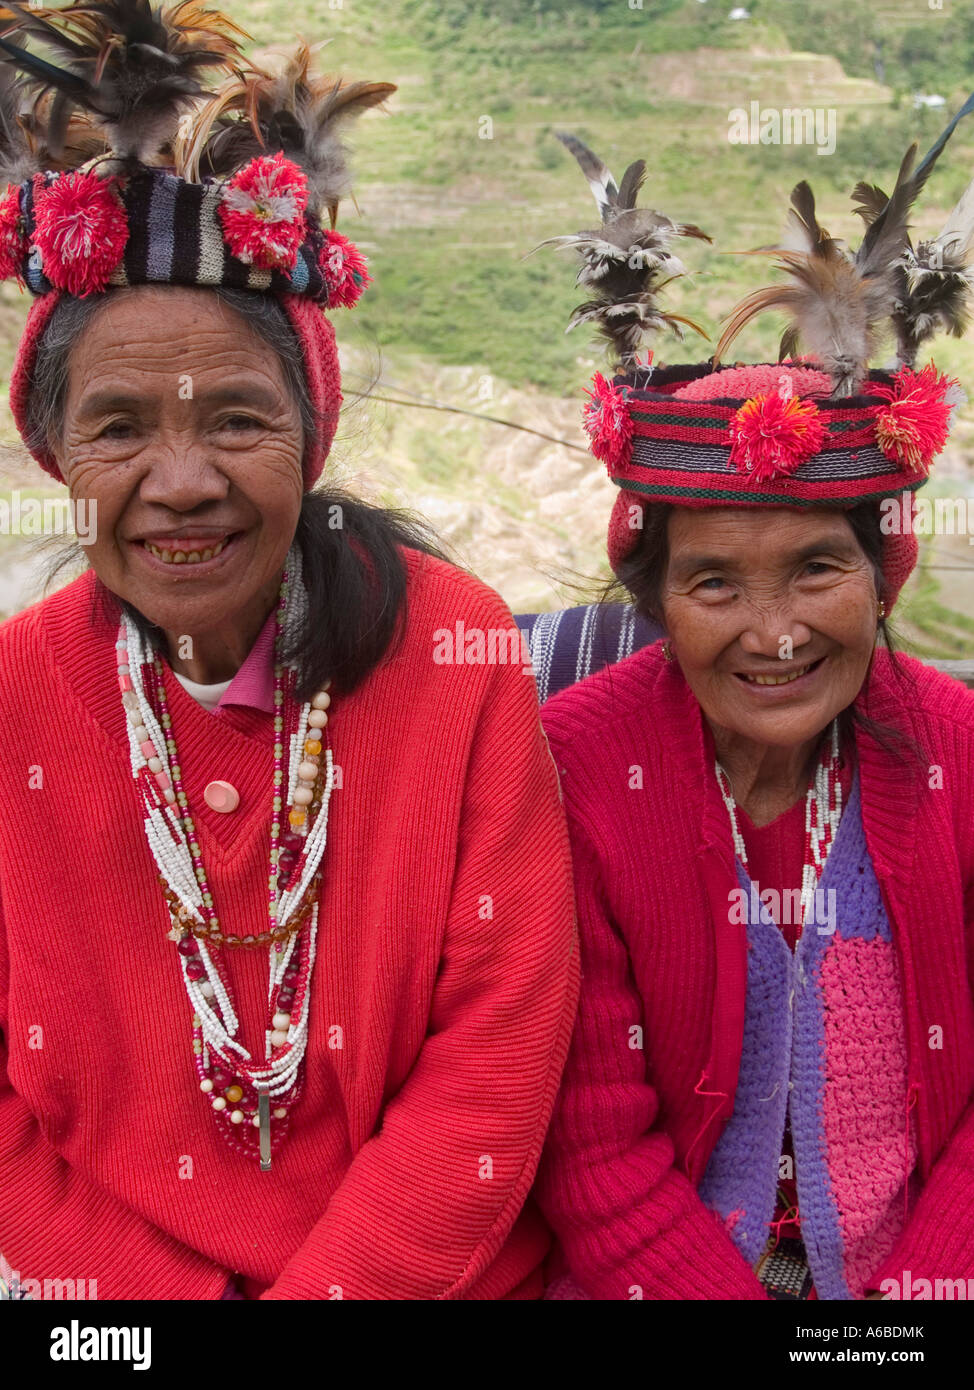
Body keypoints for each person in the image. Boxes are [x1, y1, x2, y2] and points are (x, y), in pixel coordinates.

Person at [0, 8, 577, 1300]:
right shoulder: (12, 696)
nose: (183, 481)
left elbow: (500, 1042)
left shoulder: (459, 650)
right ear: (57, 454)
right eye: (120, 427)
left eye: (239, 420)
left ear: (309, 437)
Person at [530, 146, 974, 1299]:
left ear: (884, 574)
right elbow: (592, 1143)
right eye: (714, 583)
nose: (772, 632)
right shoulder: (578, 767)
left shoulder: (956, 752)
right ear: (655, 601)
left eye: (818, 568)